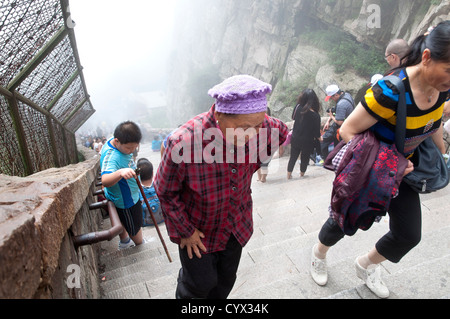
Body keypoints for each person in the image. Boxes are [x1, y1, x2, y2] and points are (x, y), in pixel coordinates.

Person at [310, 21, 450, 298]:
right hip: (370, 171)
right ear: (426, 58)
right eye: (449, 69)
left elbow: (432, 125)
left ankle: (365, 265)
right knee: (345, 222)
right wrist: (390, 163)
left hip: (404, 172)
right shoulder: (391, 90)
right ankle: (319, 253)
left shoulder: (442, 88)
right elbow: (347, 130)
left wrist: (442, 155)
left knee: (409, 234)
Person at [154, 75, 289, 299]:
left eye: (257, 125)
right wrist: (185, 231)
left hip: (236, 226)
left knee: (225, 281)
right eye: (244, 127)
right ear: (219, 115)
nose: (252, 133)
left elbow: (281, 132)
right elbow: (165, 191)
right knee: (197, 285)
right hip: (198, 231)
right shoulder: (184, 142)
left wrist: (253, 163)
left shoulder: (263, 127)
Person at [100, 121, 144, 250]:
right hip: (126, 201)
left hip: (126, 195)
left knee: (124, 221)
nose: (132, 151)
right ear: (117, 141)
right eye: (129, 148)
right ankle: (138, 244)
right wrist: (120, 172)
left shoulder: (112, 143)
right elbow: (105, 180)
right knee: (135, 229)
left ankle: (125, 242)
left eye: (135, 147)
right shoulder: (112, 156)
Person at [287, 89, 321, 179]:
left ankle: (288, 175)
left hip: (296, 137)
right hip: (308, 140)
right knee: (305, 158)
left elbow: (293, 118)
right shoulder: (316, 115)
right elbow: (317, 133)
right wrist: (321, 138)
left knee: (293, 157)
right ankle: (302, 174)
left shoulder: (298, 107)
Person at [321, 85, 355, 159]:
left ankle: (327, 160)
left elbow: (340, 122)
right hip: (348, 123)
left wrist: (331, 116)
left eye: (332, 97)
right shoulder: (346, 95)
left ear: (336, 94)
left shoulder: (341, 104)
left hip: (343, 127)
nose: (331, 99)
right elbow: (337, 112)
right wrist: (328, 121)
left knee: (325, 140)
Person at [136, 158, 164, 226]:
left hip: (145, 222)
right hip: (163, 218)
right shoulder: (159, 185)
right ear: (152, 173)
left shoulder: (137, 190)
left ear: (137, 175)